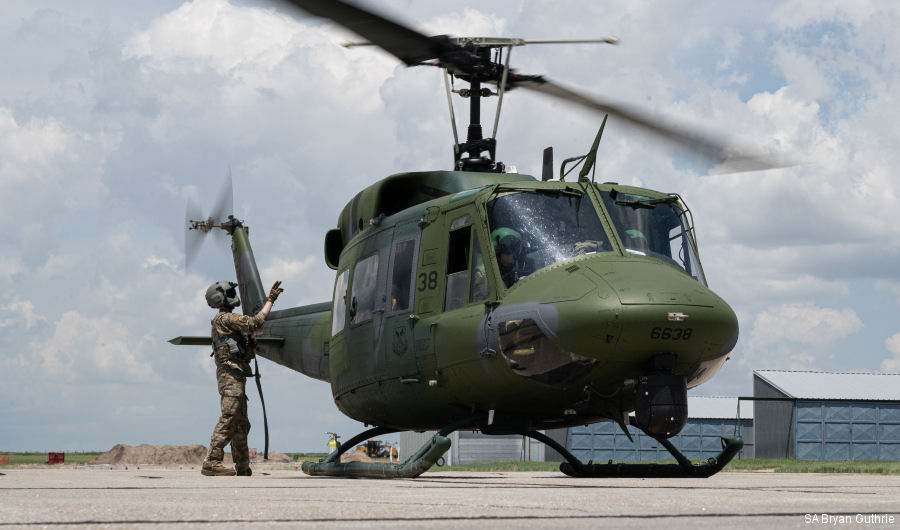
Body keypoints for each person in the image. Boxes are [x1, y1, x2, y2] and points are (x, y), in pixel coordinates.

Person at [201, 279, 283, 477]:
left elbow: (243, 353)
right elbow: (255, 322)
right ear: (220, 298)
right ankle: (211, 462)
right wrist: (270, 300)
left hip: (236, 375)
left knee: (241, 424)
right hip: (230, 377)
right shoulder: (224, 319)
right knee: (229, 418)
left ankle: (243, 466)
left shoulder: (227, 323)